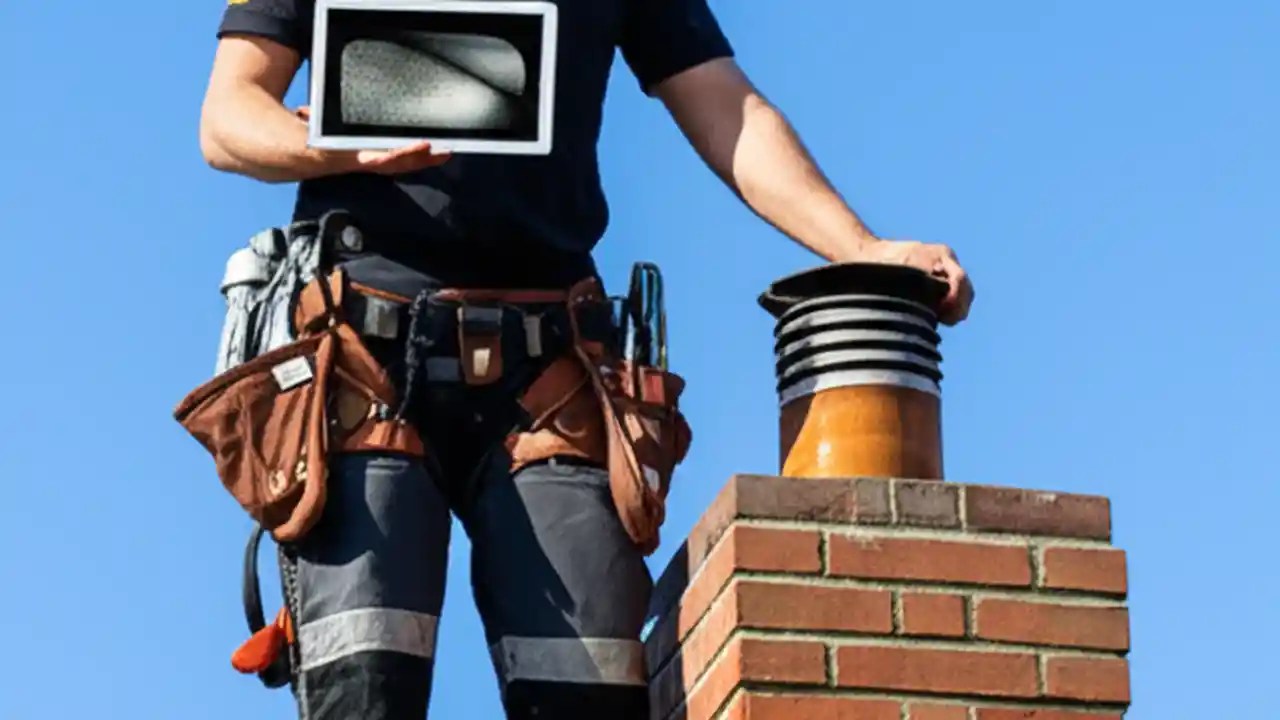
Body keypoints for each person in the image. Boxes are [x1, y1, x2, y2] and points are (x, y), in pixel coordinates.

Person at [199, 1, 976, 718]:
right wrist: (335, 147)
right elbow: (228, 116)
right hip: (368, 365)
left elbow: (725, 108)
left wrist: (866, 249)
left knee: (587, 694)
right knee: (363, 688)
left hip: (546, 375)